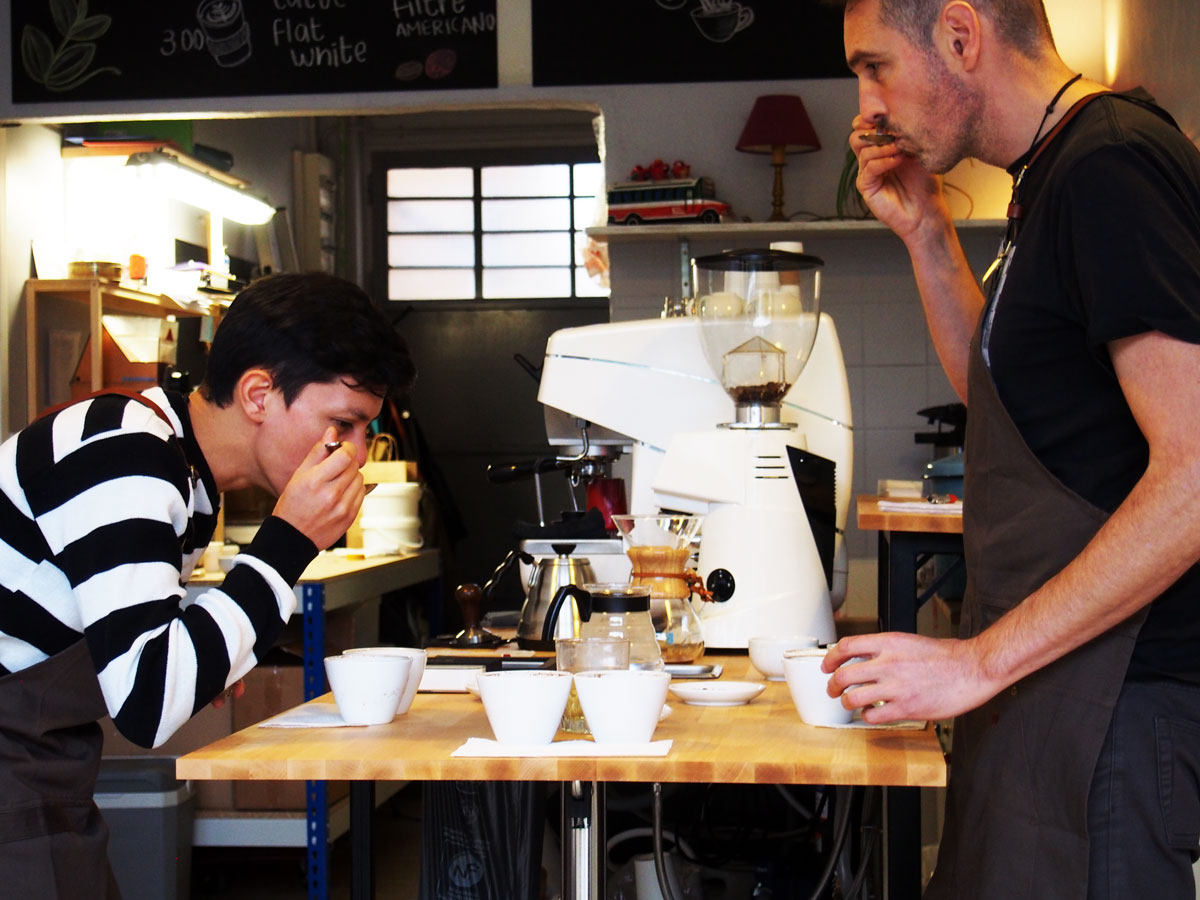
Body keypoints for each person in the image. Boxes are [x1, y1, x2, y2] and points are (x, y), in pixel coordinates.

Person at [825, 1, 1200, 897]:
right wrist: (925, 233)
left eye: (875, 66)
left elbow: (1195, 473)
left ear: (960, 36)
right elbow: (1008, 402)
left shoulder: (1109, 165)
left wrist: (974, 663)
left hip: (1114, 705)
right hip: (1050, 685)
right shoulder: (1049, 171)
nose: (866, 108)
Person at [0, 271, 415, 896]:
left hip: (41, 769)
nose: (356, 452)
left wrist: (206, 653)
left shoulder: (188, 482)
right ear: (257, 394)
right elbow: (146, 702)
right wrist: (289, 543)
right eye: (343, 423)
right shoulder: (124, 449)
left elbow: (148, 658)